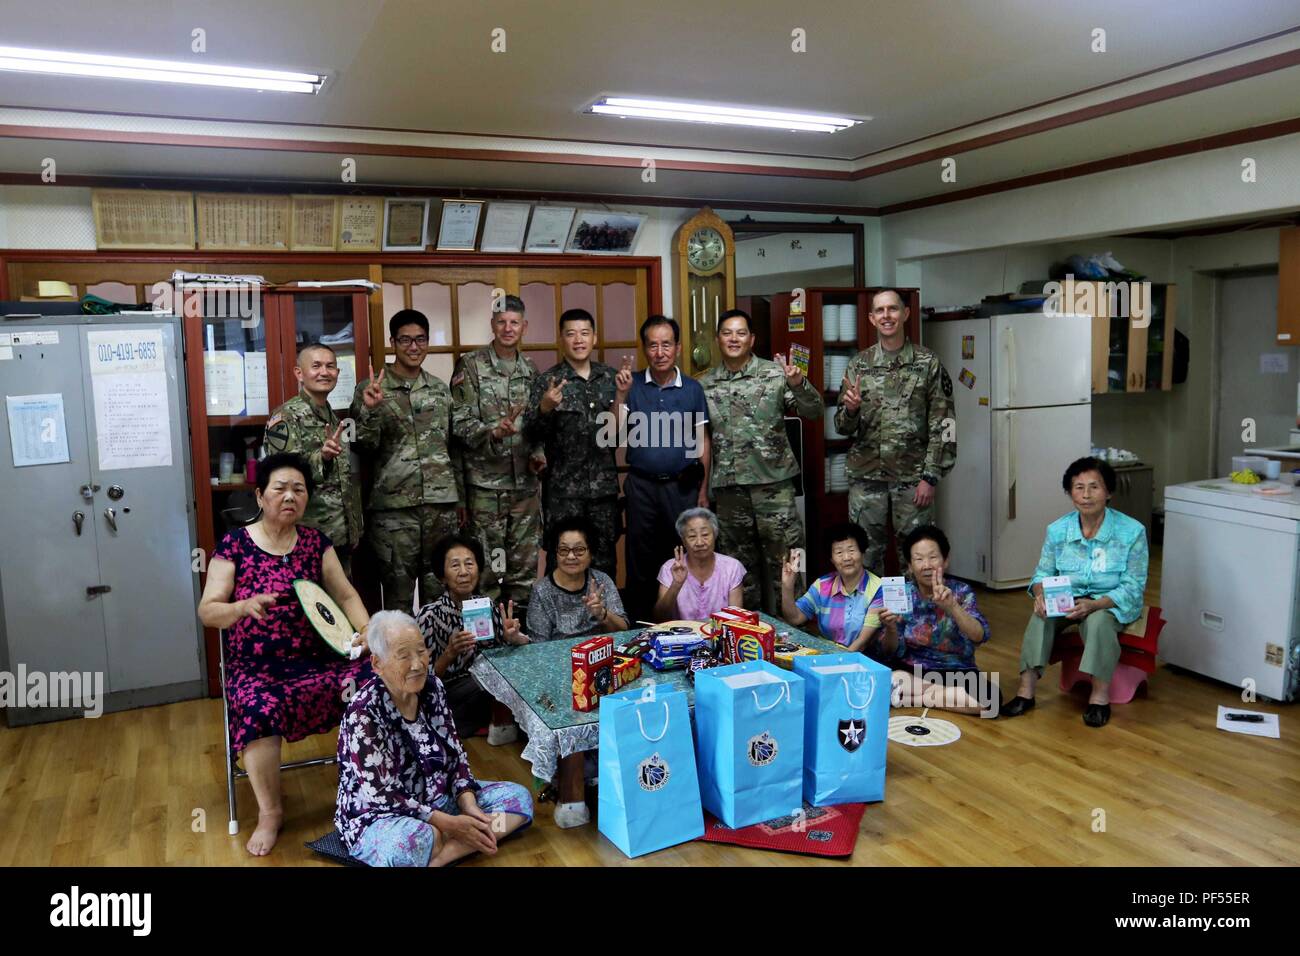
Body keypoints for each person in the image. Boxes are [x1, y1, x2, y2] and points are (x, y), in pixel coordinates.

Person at [197, 452, 372, 857]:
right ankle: (271, 812)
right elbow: (208, 611)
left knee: (377, 676)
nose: (290, 496)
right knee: (259, 709)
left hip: (319, 658)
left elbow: (345, 594)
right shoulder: (234, 545)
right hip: (257, 668)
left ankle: (373, 786)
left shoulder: (314, 543)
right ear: (260, 495)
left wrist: (364, 631)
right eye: (280, 488)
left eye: (299, 489)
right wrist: (241, 607)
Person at [335, 610, 533, 867]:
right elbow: (383, 795)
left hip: (438, 797)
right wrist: (448, 822)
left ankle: (444, 854)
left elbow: (456, 756)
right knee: (414, 842)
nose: (417, 664)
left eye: (421, 651)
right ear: (377, 664)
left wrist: (469, 805)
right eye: (403, 656)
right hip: (381, 816)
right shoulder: (364, 712)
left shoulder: (433, 688)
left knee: (519, 799)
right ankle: (447, 842)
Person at [1003, 457, 1149, 728]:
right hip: (1067, 599)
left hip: (1109, 602)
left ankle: (1099, 697)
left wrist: (1094, 605)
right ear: (1070, 493)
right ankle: (1026, 691)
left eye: (1094, 487)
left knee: (1098, 622)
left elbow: (1133, 586)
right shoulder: (1058, 530)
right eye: (1078, 487)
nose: (1086, 494)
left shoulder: (1132, 532)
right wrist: (1040, 594)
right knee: (1040, 616)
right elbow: (1042, 574)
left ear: (1109, 492)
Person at [700, 308, 824, 614]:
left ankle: (797, 628)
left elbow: (814, 411)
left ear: (752, 339)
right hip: (730, 492)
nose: (734, 338)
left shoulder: (775, 373)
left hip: (775, 488)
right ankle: (747, 635)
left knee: (790, 561)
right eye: (727, 333)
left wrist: (798, 383)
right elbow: (701, 439)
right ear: (718, 339)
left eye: (741, 333)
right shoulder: (705, 384)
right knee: (739, 571)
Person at [835, 289, 956, 573]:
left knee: (918, 557)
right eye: (880, 311)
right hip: (867, 480)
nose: (886, 316)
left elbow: (945, 425)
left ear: (905, 314)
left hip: (913, 480)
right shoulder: (859, 365)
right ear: (871, 318)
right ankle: (871, 616)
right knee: (864, 557)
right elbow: (842, 427)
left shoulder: (928, 363)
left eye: (892, 309)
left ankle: (918, 617)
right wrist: (850, 410)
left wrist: (930, 477)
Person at [351, 309, 463, 611]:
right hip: (393, 512)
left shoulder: (440, 389)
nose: (414, 347)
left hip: (440, 508)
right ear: (393, 342)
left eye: (420, 340)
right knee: (397, 596)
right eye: (405, 340)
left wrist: (460, 500)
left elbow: (453, 449)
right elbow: (362, 444)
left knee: (440, 592)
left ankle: (438, 657)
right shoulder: (371, 388)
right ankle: (400, 658)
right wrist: (372, 410)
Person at [451, 295, 546, 609]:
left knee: (523, 570)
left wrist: (538, 452)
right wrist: (492, 431)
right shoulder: (471, 365)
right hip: (486, 489)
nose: (508, 328)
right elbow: (459, 422)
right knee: (489, 570)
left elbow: (535, 424)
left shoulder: (531, 370)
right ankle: (487, 641)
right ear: (492, 325)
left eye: (514, 322)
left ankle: (519, 638)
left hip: (525, 490)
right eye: (502, 322)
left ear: (524, 327)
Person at [616, 315, 711, 622]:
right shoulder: (633, 385)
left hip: (682, 487)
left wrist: (703, 491)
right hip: (642, 486)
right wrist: (620, 394)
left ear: (678, 348)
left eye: (666, 344)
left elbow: (702, 441)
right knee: (640, 560)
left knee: (681, 555)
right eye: (653, 345)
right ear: (645, 349)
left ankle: (680, 623)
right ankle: (641, 626)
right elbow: (613, 433)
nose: (660, 352)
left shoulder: (693, 389)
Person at [523, 308, 620, 577]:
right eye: (571, 334)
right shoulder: (548, 381)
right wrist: (544, 407)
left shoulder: (611, 379)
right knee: (563, 561)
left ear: (594, 338)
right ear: (561, 339)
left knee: (604, 561)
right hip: (563, 494)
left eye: (584, 333)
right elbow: (529, 434)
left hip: (603, 493)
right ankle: (560, 618)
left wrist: (622, 397)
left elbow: (619, 436)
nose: (578, 340)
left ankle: (604, 618)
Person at [414, 532, 529, 742]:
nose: (464, 572)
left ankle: (498, 722)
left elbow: (504, 655)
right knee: (488, 681)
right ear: (442, 576)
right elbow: (422, 679)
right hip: (449, 692)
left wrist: (513, 638)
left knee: (513, 670)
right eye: (455, 566)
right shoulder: (429, 615)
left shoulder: (485, 605)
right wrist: (449, 653)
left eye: (469, 564)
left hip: (485, 686)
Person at [263, 343, 362, 574]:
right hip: (305, 538)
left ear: (338, 373)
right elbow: (284, 478)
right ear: (299, 373)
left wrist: (353, 528)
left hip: (339, 535)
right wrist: (323, 458)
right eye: (316, 366)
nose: (324, 372)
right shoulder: (286, 417)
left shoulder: (332, 416)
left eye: (330, 366)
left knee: (339, 606)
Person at [878, 524, 994, 715]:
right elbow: (889, 651)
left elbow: (979, 635)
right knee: (887, 678)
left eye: (933, 557)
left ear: (945, 561)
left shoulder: (961, 591)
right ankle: (940, 697)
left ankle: (909, 698)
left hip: (955, 672)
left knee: (990, 700)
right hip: (910, 670)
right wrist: (890, 628)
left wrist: (952, 607)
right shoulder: (902, 594)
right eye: (918, 559)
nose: (926, 565)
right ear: (909, 565)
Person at [779, 521, 889, 658]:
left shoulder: (878, 589)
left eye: (851, 550)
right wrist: (787, 586)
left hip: (861, 660)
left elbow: (862, 642)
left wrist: (836, 663)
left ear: (862, 553)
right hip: (826, 655)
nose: (846, 557)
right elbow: (794, 618)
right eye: (839, 552)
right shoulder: (822, 585)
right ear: (832, 559)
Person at [527, 515, 628, 644]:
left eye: (579, 550)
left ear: (591, 553)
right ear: (556, 553)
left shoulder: (601, 581)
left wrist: (603, 614)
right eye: (563, 550)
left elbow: (623, 629)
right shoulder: (541, 591)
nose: (570, 556)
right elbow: (538, 646)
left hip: (599, 654)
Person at [653, 507, 744, 622]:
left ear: (715, 535)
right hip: (682, 637)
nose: (700, 542)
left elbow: (736, 619)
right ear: (683, 541)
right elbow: (660, 618)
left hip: (721, 635)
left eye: (705, 534)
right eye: (692, 536)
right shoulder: (670, 568)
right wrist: (676, 585)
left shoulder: (732, 567)